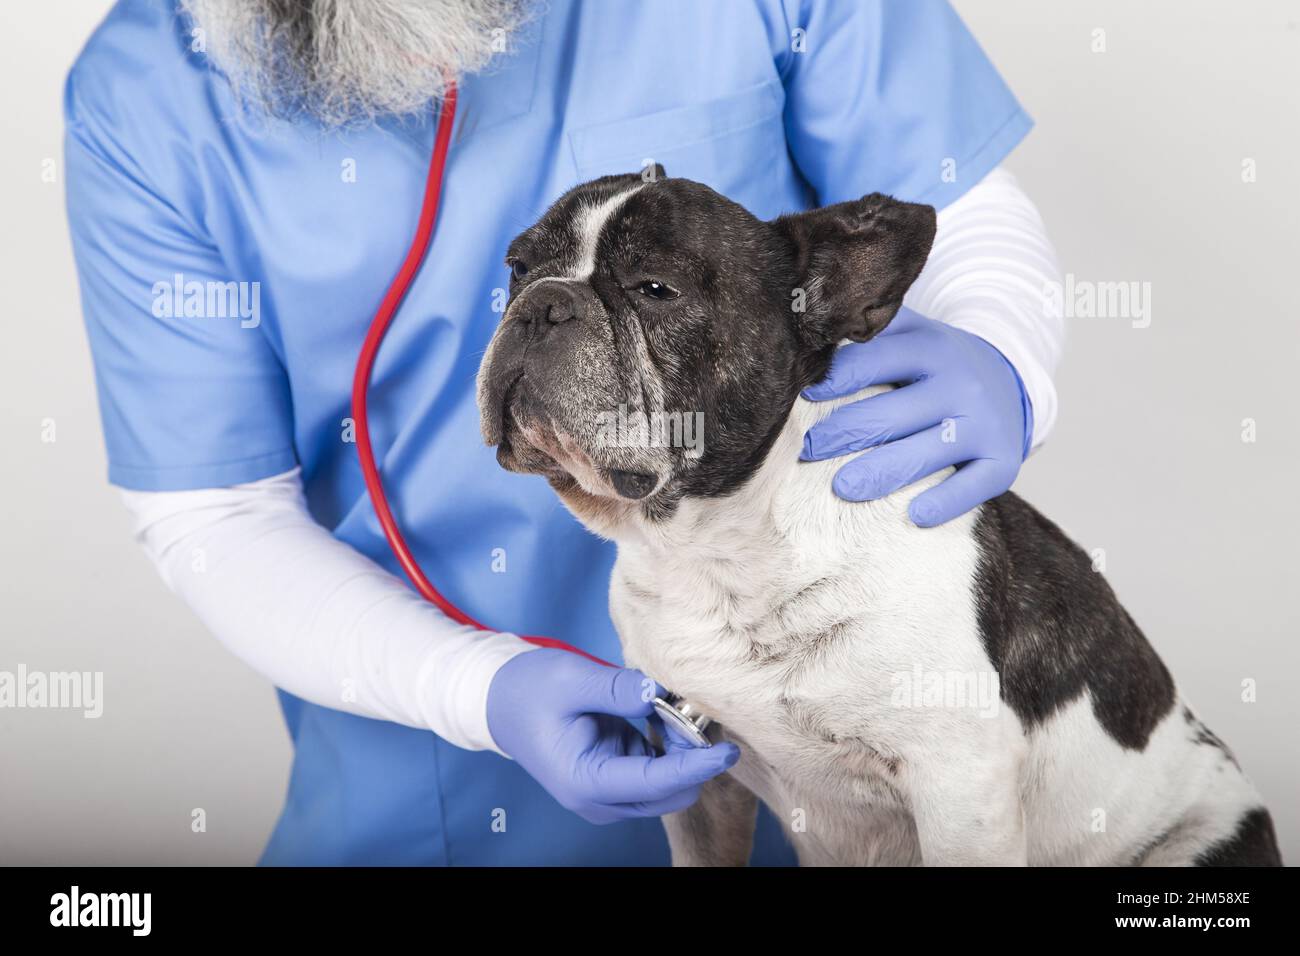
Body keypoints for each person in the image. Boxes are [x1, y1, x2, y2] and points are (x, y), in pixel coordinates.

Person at [65, 0, 1063, 865]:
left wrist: (1002, 351)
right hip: (410, 799)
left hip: (816, 789)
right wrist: (478, 687)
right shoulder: (147, 87)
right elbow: (215, 509)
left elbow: (953, 195)